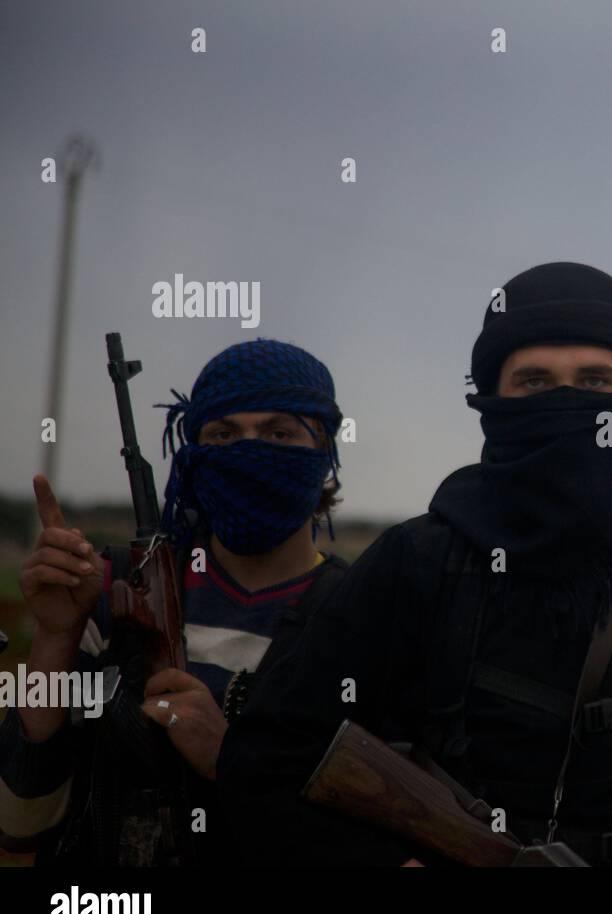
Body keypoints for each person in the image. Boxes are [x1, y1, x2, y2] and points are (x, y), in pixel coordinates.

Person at [219, 261, 612, 866]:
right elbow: (265, 769)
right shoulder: (417, 562)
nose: (566, 402)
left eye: (594, 382)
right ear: (493, 400)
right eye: (533, 382)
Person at [0, 338, 350, 865]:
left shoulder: (360, 617)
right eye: (223, 433)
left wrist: (230, 762)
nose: (247, 450)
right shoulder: (113, 595)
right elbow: (18, 821)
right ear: (192, 455)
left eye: (279, 432)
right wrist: (55, 637)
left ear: (324, 451)